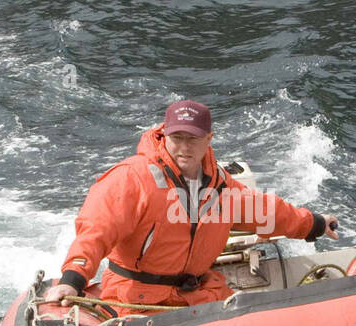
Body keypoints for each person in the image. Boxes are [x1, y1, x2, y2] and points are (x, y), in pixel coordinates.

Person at [44, 100, 339, 314]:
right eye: (177, 138)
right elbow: (95, 233)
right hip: (136, 302)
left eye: (193, 139)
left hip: (199, 296)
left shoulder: (220, 185)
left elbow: (268, 213)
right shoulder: (131, 179)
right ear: (164, 135)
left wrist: (314, 224)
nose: (184, 147)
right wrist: (73, 280)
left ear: (208, 140)